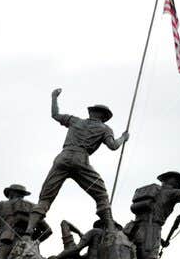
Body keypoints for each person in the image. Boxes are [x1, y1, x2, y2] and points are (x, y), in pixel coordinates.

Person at [33, 88, 127, 225]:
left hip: (62, 158)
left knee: (45, 197)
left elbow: (55, 114)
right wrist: (123, 138)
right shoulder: (105, 128)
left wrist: (54, 97)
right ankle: (110, 226)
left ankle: (29, 231)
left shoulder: (75, 121)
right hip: (81, 160)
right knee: (101, 194)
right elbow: (113, 146)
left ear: (91, 112)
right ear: (104, 117)